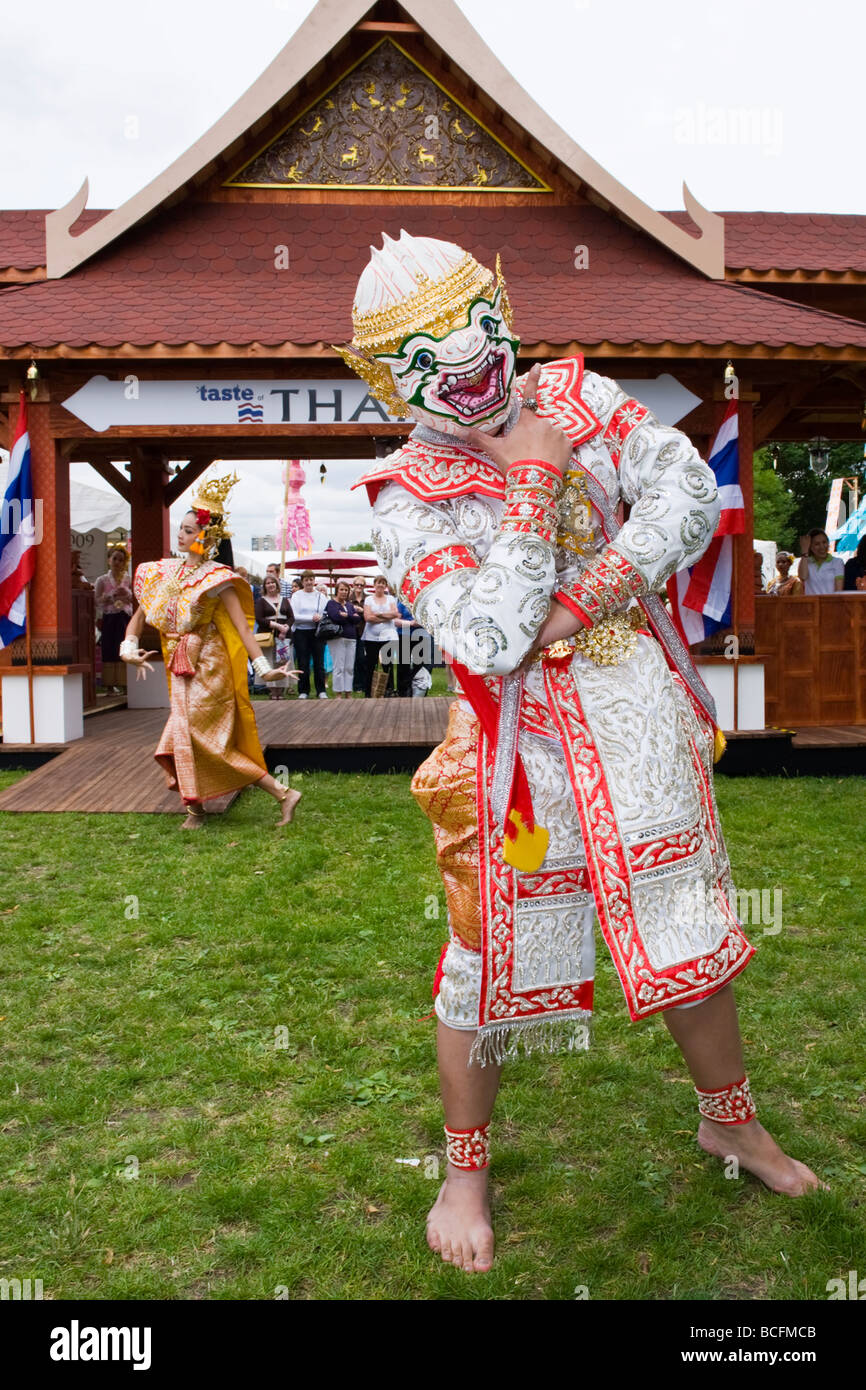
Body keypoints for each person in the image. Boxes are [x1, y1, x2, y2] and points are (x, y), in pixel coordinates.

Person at [340, 230, 822, 1274]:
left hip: (638, 719)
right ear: (385, 378)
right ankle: (463, 1166)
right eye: (422, 356)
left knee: (685, 927)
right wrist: (528, 484)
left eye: (472, 334)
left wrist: (580, 599)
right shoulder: (400, 494)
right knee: (486, 962)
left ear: (502, 311)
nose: (463, 370)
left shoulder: (581, 393)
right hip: (515, 756)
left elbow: (688, 492)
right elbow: (483, 640)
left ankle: (728, 1119)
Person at [120, 474, 300, 829]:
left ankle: (277, 794)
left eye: (189, 530)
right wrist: (128, 647)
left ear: (207, 537)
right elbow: (140, 617)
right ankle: (198, 810)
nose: (182, 534)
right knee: (184, 736)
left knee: (201, 738)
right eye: (182, 528)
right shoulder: (163, 573)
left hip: (209, 665)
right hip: (179, 662)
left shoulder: (219, 579)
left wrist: (264, 669)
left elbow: (241, 629)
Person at [94, 546, 134, 694]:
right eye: (115, 558)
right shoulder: (102, 580)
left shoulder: (128, 579)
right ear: (109, 560)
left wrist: (126, 594)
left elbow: (134, 599)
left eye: (121, 560)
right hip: (110, 617)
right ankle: (109, 685)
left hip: (124, 616)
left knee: (123, 648)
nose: (117, 562)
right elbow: (96, 601)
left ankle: (124, 684)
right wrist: (111, 596)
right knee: (109, 648)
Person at [255, 574, 294, 700]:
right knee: (270, 661)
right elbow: (259, 619)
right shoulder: (261, 601)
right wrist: (277, 626)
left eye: (273, 582)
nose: (270, 585)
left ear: (277, 585)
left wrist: (286, 627)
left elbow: (291, 617)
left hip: (284, 637)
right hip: (268, 635)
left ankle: (281, 691)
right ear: (265, 586)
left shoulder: (284, 599)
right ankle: (272, 691)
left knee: (282, 661)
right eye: (268, 583)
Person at [291, 569, 328, 699]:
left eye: (311, 579)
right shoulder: (296, 596)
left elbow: (325, 614)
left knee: (319, 662)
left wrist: (320, 618)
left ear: (314, 580)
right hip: (301, 632)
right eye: (306, 580)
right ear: (302, 581)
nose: (309, 582)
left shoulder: (321, 596)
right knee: (303, 662)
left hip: (317, 632)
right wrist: (310, 618)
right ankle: (303, 690)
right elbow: (295, 616)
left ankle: (321, 690)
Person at [362, 574, 399, 696]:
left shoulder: (391, 599)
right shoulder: (368, 599)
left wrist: (378, 615)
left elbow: (395, 614)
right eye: (379, 582)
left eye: (383, 583)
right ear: (374, 584)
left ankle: (388, 690)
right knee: (371, 664)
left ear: (386, 586)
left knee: (387, 664)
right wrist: (386, 617)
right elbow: (367, 617)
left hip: (388, 637)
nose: (381, 585)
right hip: (371, 637)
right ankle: (369, 691)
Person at [324, 580, 360, 698]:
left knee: (349, 667)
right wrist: (350, 617)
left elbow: (358, 619)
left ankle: (348, 692)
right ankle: (338, 693)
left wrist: (347, 616)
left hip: (351, 638)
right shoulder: (331, 604)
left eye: (346, 590)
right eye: (341, 589)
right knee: (339, 666)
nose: (344, 592)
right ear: (337, 591)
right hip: (337, 638)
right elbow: (335, 617)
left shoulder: (349, 605)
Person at [797, 529, 844, 594]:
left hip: (830, 603)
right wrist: (805, 551)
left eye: (824, 542)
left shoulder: (837, 562)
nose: (822, 547)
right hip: (812, 603)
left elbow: (838, 591)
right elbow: (803, 577)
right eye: (817, 544)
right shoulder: (805, 561)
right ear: (810, 546)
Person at [350, 577, 369, 693]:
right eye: (357, 585)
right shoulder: (348, 598)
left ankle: (362, 684)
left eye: (361, 585)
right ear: (353, 585)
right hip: (351, 632)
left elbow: (370, 614)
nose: (359, 587)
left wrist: (362, 611)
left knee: (362, 659)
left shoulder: (368, 599)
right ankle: (355, 685)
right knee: (353, 660)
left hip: (365, 632)